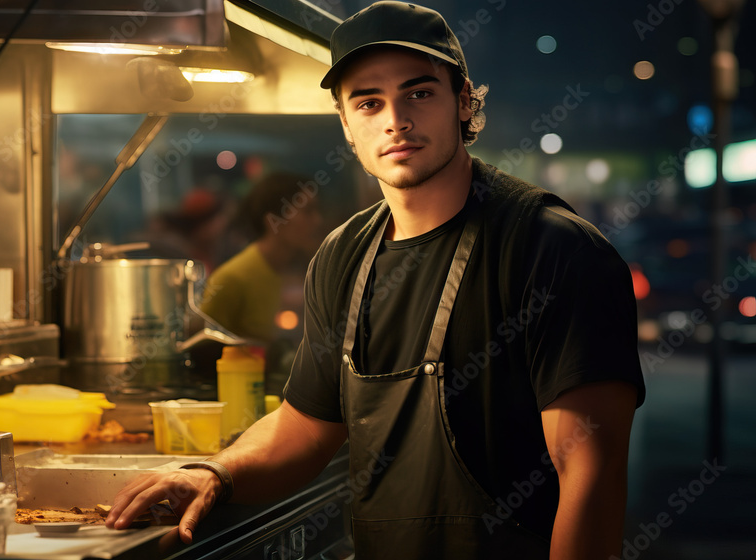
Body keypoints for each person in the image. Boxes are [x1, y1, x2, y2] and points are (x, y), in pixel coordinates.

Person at [106, 3, 645, 559]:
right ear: (346, 123)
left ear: (463, 100)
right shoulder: (342, 257)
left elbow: (590, 473)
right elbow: (305, 428)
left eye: (419, 93)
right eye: (369, 102)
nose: (395, 120)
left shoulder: (555, 250)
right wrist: (214, 473)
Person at [199, 171, 325, 343]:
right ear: (273, 220)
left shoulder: (302, 271)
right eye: (308, 212)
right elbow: (202, 346)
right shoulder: (232, 279)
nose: (318, 221)